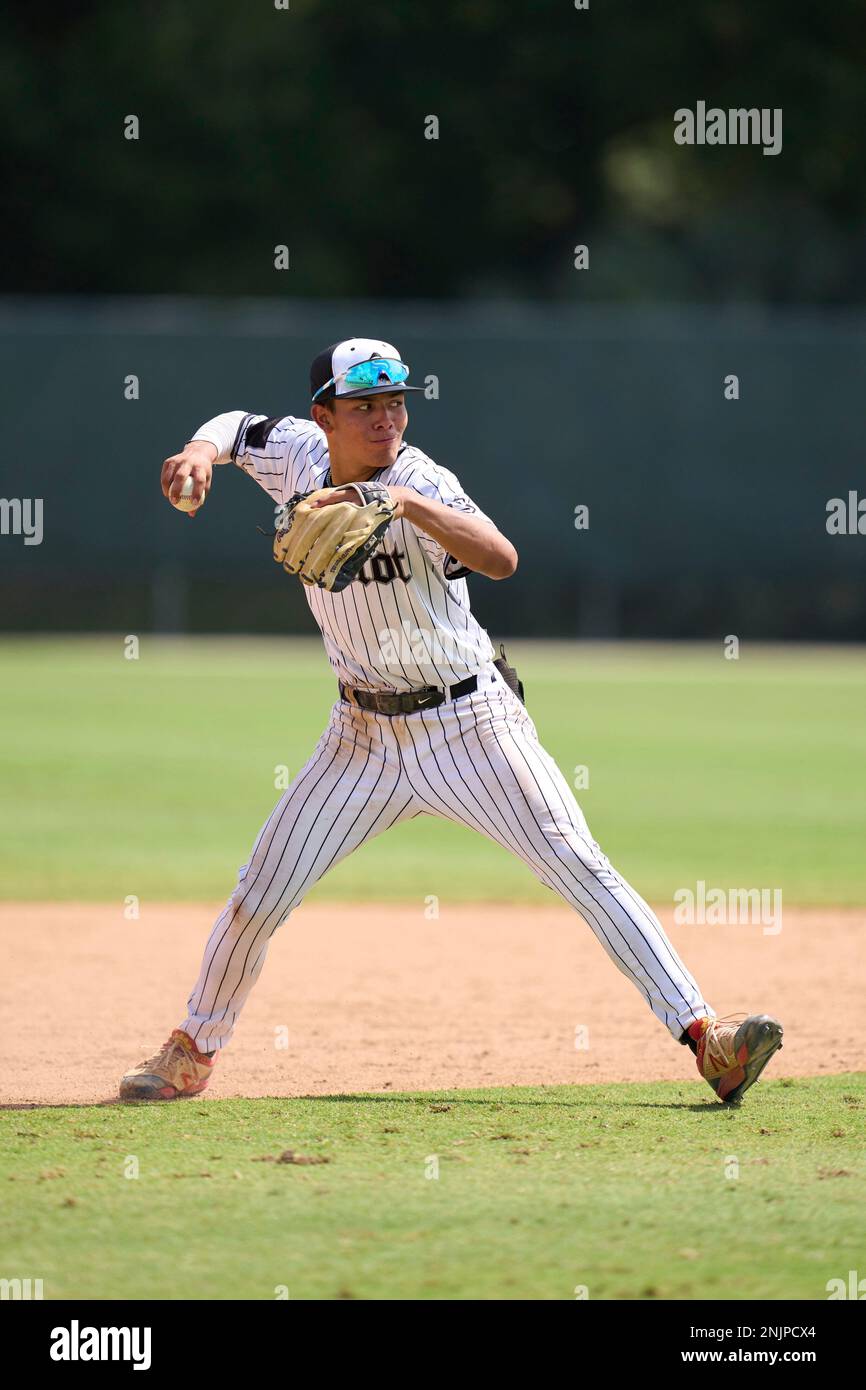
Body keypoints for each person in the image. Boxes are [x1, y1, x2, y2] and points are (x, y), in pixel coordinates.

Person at [120, 338, 783, 1105]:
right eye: (364, 405)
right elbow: (238, 427)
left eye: (395, 400)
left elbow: (500, 558)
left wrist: (401, 505)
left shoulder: (420, 477)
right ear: (324, 417)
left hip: (469, 724)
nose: (385, 418)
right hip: (359, 739)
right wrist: (198, 451)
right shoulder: (300, 452)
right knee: (259, 891)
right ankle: (193, 1049)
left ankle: (709, 1040)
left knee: (580, 864)